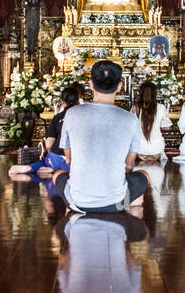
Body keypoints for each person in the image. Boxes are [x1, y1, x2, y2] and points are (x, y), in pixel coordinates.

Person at [52, 60, 150, 213]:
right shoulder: (131, 119)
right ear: (120, 86)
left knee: (58, 174)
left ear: (90, 84)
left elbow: (69, 159)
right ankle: (131, 201)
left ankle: (73, 203)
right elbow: (129, 165)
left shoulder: (72, 113)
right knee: (143, 175)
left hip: (78, 202)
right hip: (116, 202)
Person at [131, 79, 170, 162]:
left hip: (140, 150)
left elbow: (130, 128)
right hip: (156, 150)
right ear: (155, 94)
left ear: (140, 93)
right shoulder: (160, 107)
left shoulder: (135, 108)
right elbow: (167, 127)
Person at [44, 82, 82, 156]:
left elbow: (48, 145)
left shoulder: (58, 117)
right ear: (78, 101)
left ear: (61, 101)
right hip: (79, 157)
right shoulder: (84, 116)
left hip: (59, 156)